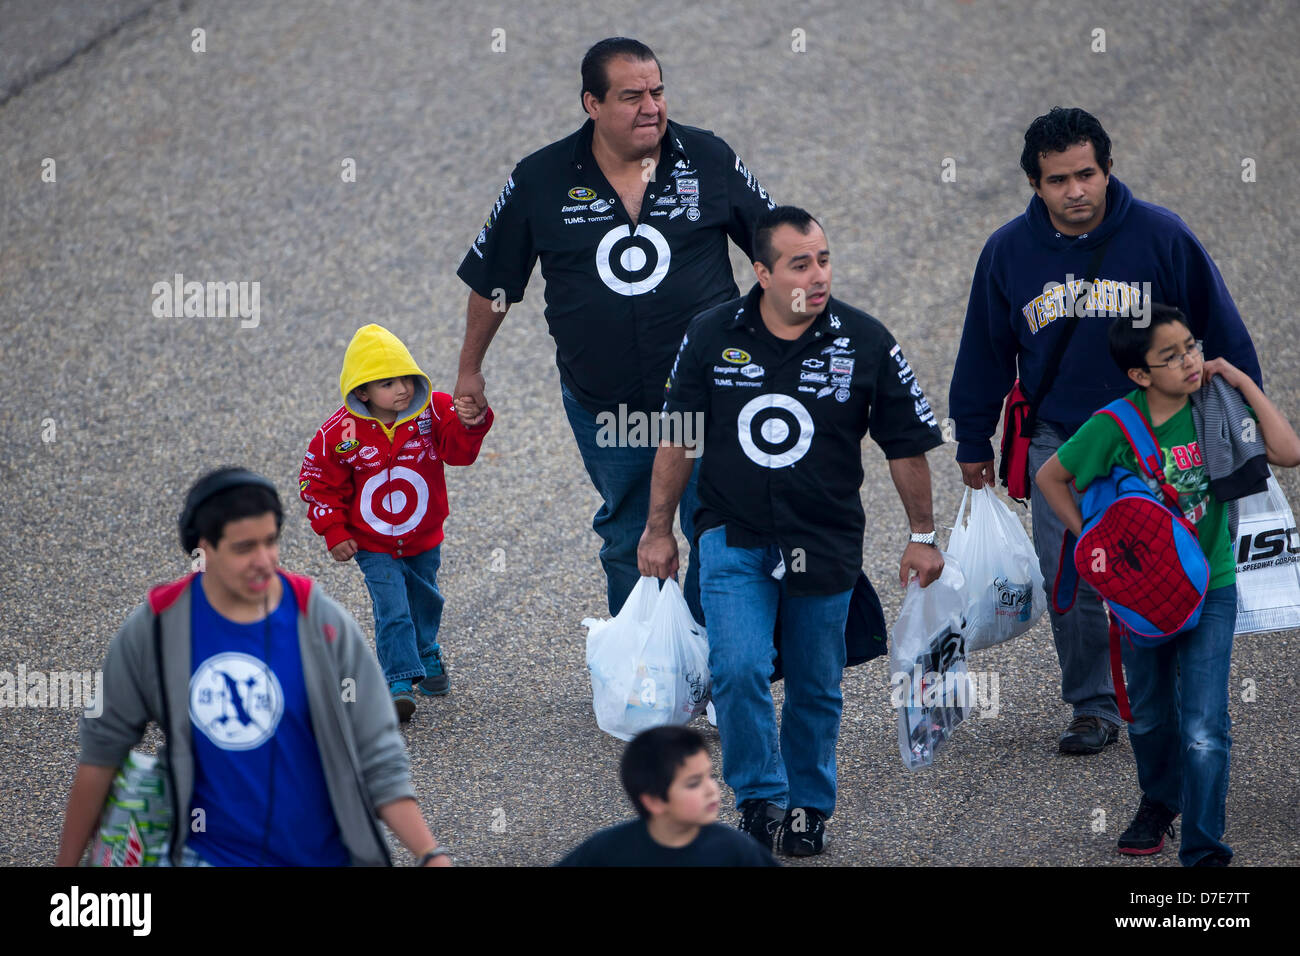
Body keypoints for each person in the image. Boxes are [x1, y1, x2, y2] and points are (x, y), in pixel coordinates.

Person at [947, 106, 1262, 755]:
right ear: (1036, 184)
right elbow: (984, 349)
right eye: (1058, 180)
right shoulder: (1008, 251)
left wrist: (1241, 429)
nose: (1076, 191)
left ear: (1108, 168)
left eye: (1086, 174)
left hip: (1165, 439)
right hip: (1062, 439)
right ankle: (1093, 706)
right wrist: (973, 442)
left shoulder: (1161, 237)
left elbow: (1223, 334)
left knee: (1177, 565)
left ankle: (1174, 698)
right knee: (1075, 572)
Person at [639, 206, 945, 856]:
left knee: (815, 682)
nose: (818, 274)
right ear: (762, 272)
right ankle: (759, 798)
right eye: (799, 263)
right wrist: (658, 530)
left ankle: (808, 806)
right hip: (733, 532)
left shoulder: (865, 341)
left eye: (824, 259)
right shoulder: (711, 332)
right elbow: (677, 439)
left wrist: (923, 533)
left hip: (825, 538)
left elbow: (906, 446)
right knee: (739, 667)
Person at [453, 36, 776, 624]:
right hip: (605, 398)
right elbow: (494, 279)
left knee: (716, 524)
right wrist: (470, 369)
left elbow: (777, 251)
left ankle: (712, 666)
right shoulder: (540, 179)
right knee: (630, 532)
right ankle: (645, 684)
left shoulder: (709, 158)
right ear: (592, 104)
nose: (651, 106)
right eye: (631, 96)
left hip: (707, 392)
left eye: (657, 91)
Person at [55, 468, 452, 866]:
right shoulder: (157, 628)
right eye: (244, 548)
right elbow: (101, 754)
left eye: (270, 542)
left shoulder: (320, 623)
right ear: (203, 548)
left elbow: (378, 752)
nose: (263, 561)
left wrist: (429, 853)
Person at [1035, 306, 1299, 865]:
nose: (1190, 362)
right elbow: (1050, 476)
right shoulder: (1114, 426)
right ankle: (1159, 802)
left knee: (1205, 726)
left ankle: (1204, 850)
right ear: (1140, 375)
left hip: (1213, 585)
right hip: (1142, 600)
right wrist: (1093, 541)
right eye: (1171, 356)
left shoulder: (1217, 405)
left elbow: (1289, 452)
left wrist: (1244, 380)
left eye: (1192, 347)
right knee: (1151, 714)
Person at [299, 323, 492, 719]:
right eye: (386, 383)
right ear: (362, 392)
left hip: (423, 534)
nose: (401, 389)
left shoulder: (434, 410)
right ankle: (400, 679)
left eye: (405, 377)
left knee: (426, 599)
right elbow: (317, 483)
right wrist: (334, 530)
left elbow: (458, 453)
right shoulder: (337, 434)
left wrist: (472, 421)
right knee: (393, 607)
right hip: (370, 542)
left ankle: (426, 650)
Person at [556, 726, 778, 866]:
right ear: (653, 800)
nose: (712, 789)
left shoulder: (737, 851)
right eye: (694, 783)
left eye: (709, 776)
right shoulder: (607, 851)